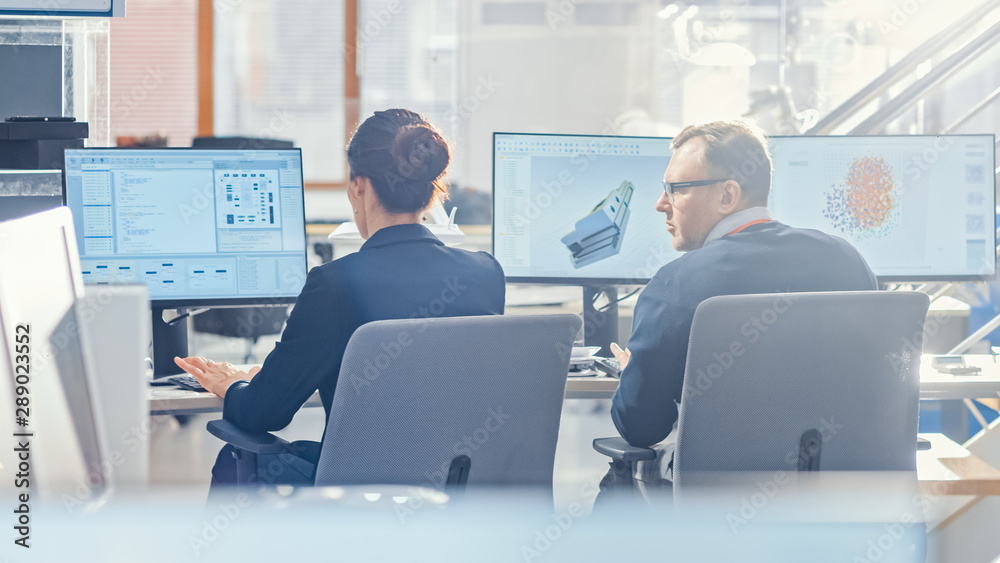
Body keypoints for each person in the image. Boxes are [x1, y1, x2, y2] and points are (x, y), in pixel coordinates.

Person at [174, 109, 506, 486]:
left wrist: (235, 386)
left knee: (234, 459)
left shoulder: (335, 284)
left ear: (358, 186)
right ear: (431, 191)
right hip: (460, 490)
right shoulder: (486, 274)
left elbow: (264, 414)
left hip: (364, 494)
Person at [602, 120, 878, 492]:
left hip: (717, 506)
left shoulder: (674, 284)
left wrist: (632, 374)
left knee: (620, 478)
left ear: (727, 196)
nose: (661, 204)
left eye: (675, 189)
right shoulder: (847, 260)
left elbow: (641, 428)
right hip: (845, 499)